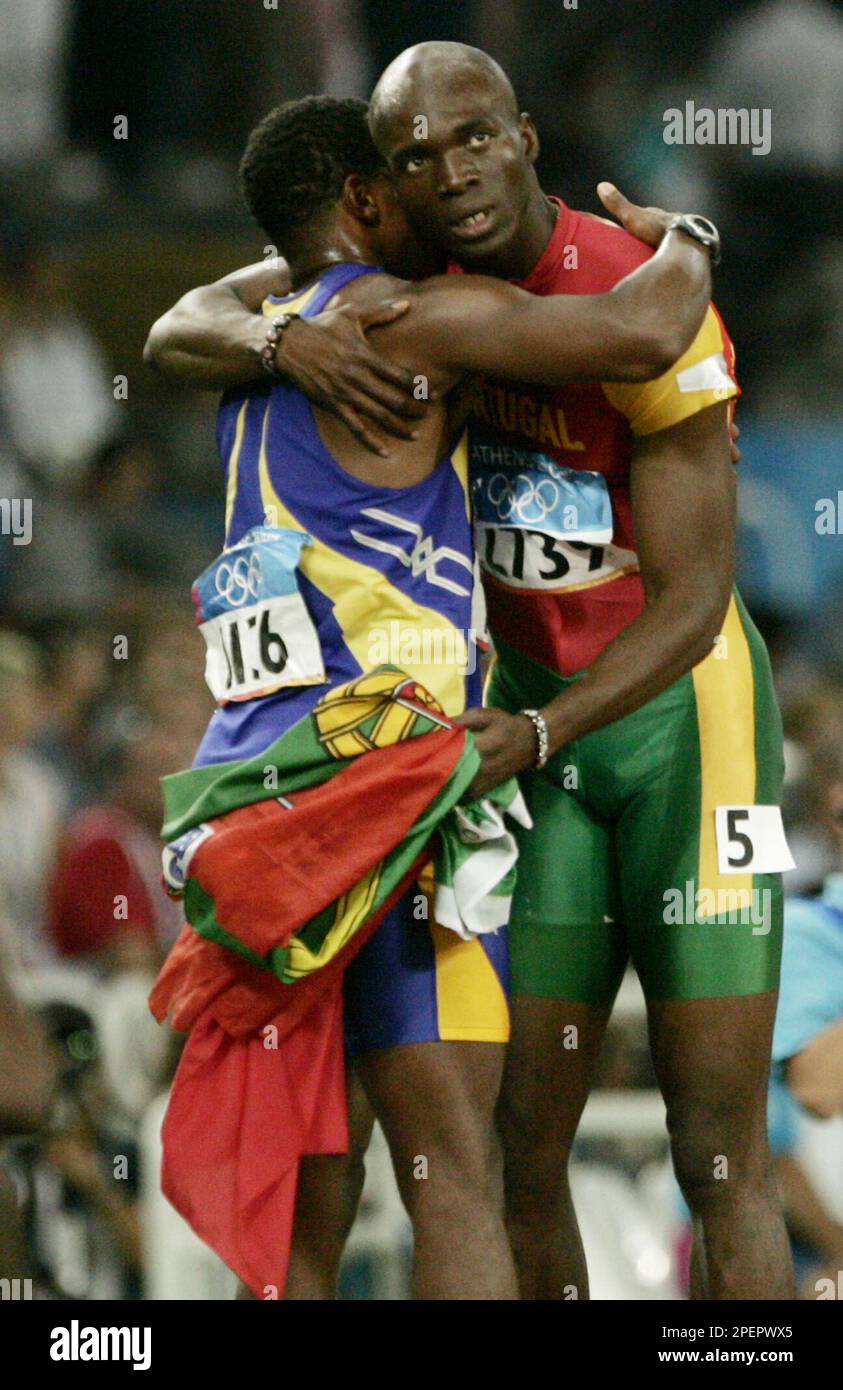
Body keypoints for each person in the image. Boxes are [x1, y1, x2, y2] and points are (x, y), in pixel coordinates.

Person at [147, 43, 793, 1302]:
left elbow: (701, 600)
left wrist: (694, 239)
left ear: (529, 136)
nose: (452, 172)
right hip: (489, 743)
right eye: (416, 158)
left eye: (475, 140)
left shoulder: (611, 282)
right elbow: (185, 318)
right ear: (378, 188)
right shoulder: (395, 292)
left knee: (715, 1150)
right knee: (508, 1152)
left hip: (677, 717)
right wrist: (287, 336)